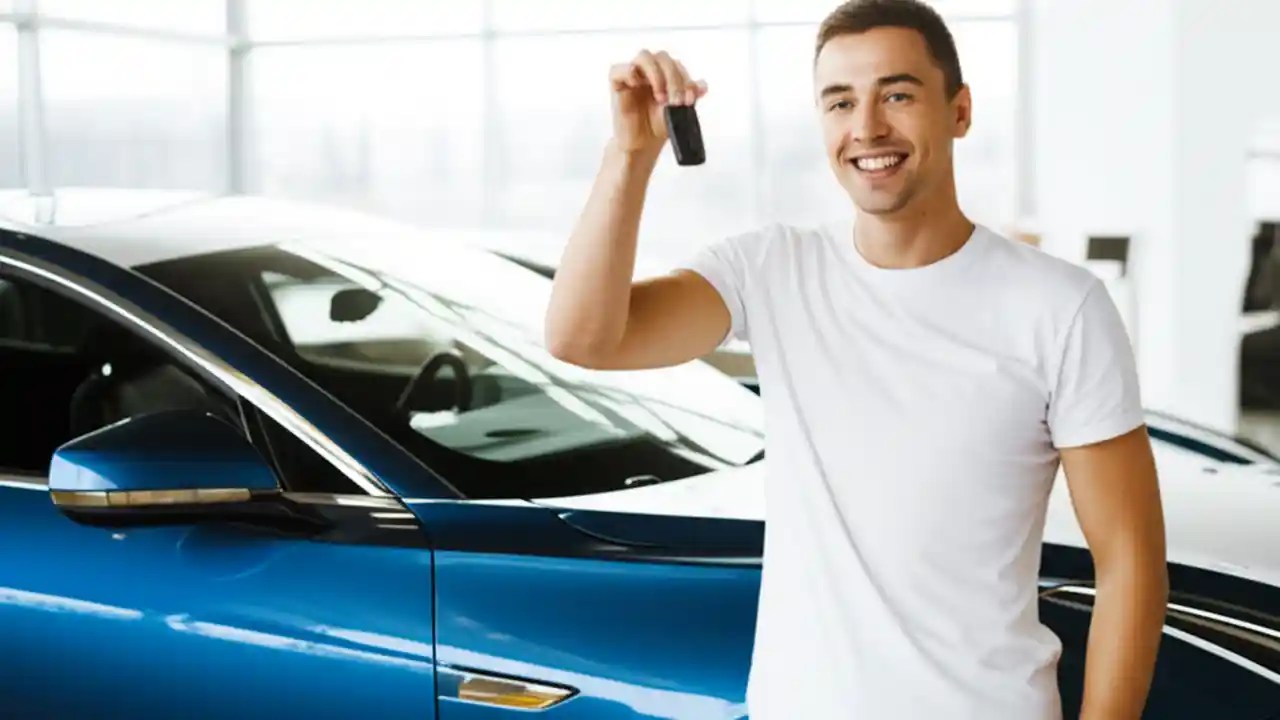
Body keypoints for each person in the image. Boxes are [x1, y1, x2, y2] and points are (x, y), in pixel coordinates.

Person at [544, 0, 1169, 717]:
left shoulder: (1061, 306)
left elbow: (1129, 562)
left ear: (959, 111)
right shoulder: (771, 270)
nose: (867, 127)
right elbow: (584, 338)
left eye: (897, 95)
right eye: (840, 102)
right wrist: (629, 155)